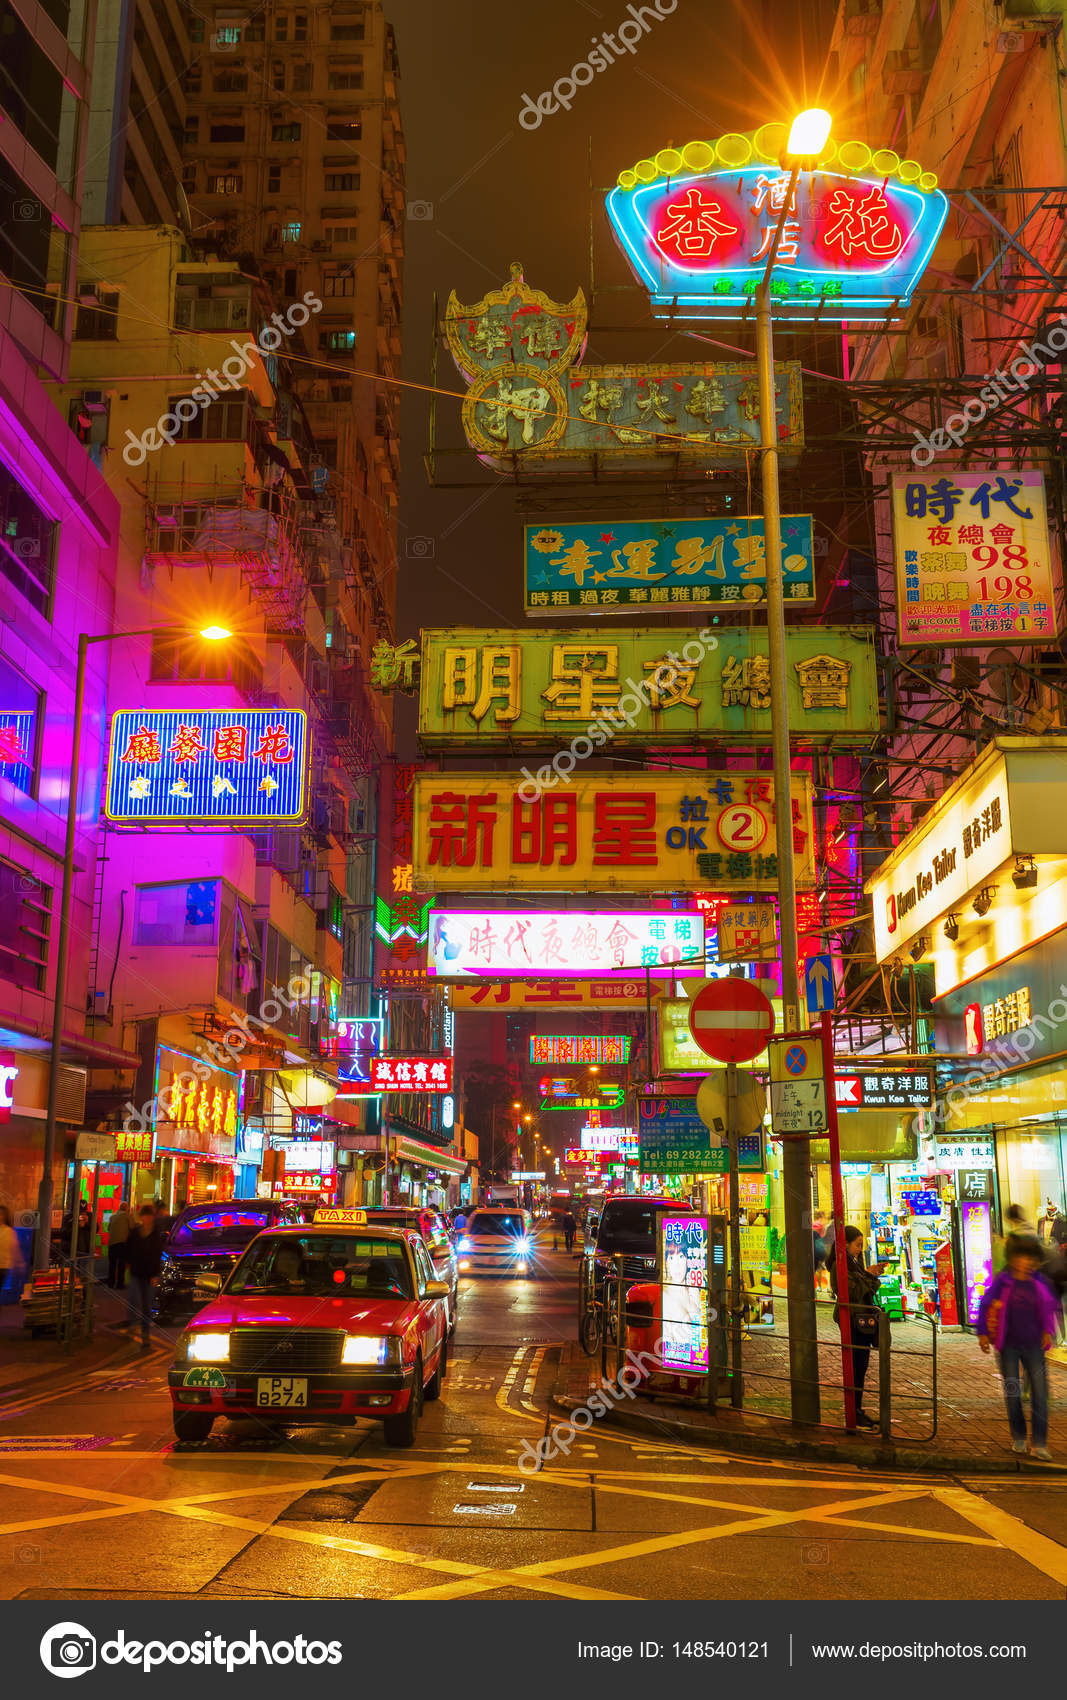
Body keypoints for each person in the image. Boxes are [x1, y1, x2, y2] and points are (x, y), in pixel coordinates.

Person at [977, 1232, 1058, 1461]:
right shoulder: (1003, 1281)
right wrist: (982, 1333)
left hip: (1034, 1346)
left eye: (1031, 1258)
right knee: (1013, 1393)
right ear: (1013, 1259)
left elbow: (1049, 1308)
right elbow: (985, 1305)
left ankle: (1039, 1443)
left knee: (1040, 1394)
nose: (1027, 1262)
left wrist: (1047, 1331)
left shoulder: (1040, 1282)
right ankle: (1019, 1437)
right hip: (1008, 1346)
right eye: (1023, 1257)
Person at [829, 1225, 883, 1430]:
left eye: (861, 1245)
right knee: (856, 1368)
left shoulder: (853, 1263)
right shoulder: (840, 1264)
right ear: (846, 1245)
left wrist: (870, 1275)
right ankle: (854, 1412)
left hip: (861, 1322)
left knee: (861, 1368)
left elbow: (866, 1287)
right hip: (853, 1322)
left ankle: (857, 1411)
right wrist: (869, 1276)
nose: (860, 1249)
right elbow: (850, 1292)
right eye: (857, 1245)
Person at [124, 1204, 164, 1350]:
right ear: (141, 1217)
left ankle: (145, 1334)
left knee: (147, 1305)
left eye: (150, 1216)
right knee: (133, 1301)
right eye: (145, 1216)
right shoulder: (135, 1233)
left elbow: (158, 1255)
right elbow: (128, 1249)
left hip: (150, 1275)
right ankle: (131, 1325)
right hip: (136, 1272)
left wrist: (156, 1274)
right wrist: (128, 1263)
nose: (147, 1219)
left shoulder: (156, 1235)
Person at [106, 1200, 131, 1289]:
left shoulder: (112, 1216)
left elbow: (108, 1228)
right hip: (122, 1243)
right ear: (126, 1209)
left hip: (112, 1243)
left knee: (112, 1264)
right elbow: (132, 1227)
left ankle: (110, 1283)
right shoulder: (127, 1216)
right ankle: (120, 1284)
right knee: (121, 1264)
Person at [0, 1205, 23, 1299]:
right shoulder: (9, 1231)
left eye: (1, 1214)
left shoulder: (9, 1231)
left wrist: (20, 1262)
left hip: (3, 1266)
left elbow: (15, 1249)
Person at [812, 1214, 828, 1291]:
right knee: (824, 1268)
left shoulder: (814, 1225)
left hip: (816, 1249)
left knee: (818, 1269)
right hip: (822, 1248)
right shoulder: (822, 1225)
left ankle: (819, 1286)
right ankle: (828, 1286)